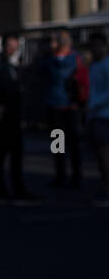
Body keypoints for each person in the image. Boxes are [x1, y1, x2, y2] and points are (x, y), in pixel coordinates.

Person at [0, 35, 36, 205]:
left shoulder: (9, 64)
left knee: (14, 154)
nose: (14, 48)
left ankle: (15, 189)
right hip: (4, 117)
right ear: (4, 45)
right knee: (3, 154)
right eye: (11, 45)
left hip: (13, 115)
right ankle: (3, 191)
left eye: (15, 45)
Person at [42, 30, 83, 188]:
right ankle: (62, 173)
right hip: (58, 107)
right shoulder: (51, 59)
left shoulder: (72, 58)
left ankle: (72, 174)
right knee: (59, 143)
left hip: (68, 107)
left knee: (71, 142)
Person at [86, 31, 109, 207]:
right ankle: (62, 171)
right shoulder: (93, 65)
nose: (92, 50)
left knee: (104, 154)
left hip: (102, 116)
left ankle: (65, 172)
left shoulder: (105, 65)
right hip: (93, 115)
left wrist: (93, 104)